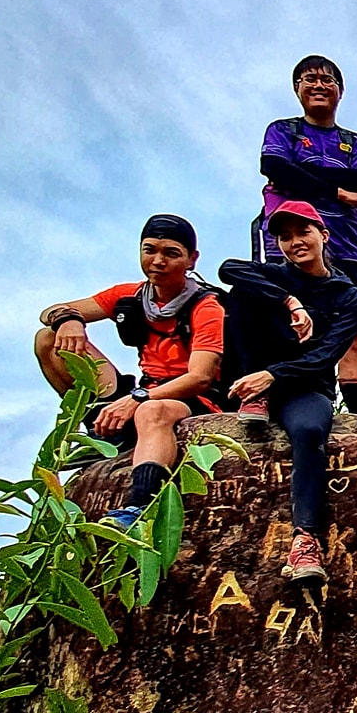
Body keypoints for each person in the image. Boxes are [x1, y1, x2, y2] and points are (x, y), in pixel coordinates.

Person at [32, 214, 223, 531]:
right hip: (142, 390)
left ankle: (140, 505)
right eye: (150, 250)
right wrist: (69, 320)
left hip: (190, 398)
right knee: (48, 339)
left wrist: (138, 399)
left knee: (152, 411)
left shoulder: (206, 307)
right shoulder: (132, 295)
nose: (158, 261)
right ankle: (101, 429)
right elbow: (48, 312)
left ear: (192, 259)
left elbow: (200, 377)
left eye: (171, 253)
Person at [217, 202, 357, 583]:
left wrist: (273, 376)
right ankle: (255, 396)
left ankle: (306, 541)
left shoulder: (347, 296)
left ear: (324, 235)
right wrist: (288, 300)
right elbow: (228, 269)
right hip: (256, 378)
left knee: (309, 431)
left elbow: (325, 356)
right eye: (285, 236)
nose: (294, 242)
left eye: (303, 232)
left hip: (305, 386)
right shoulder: (274, 274)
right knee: (243, 292)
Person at [257, 55, 357, 416]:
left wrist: (301, 173)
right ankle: (276, 403)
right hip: (288, 249)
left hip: (346, 248)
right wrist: (338, 191)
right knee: (287, 326)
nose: (319, 85)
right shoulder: (284, 131)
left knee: (354, 337)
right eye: (310, 78)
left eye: (328, 80)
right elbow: (274, 166)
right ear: (297, 88)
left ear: (340, 91)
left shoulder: (353, 141)